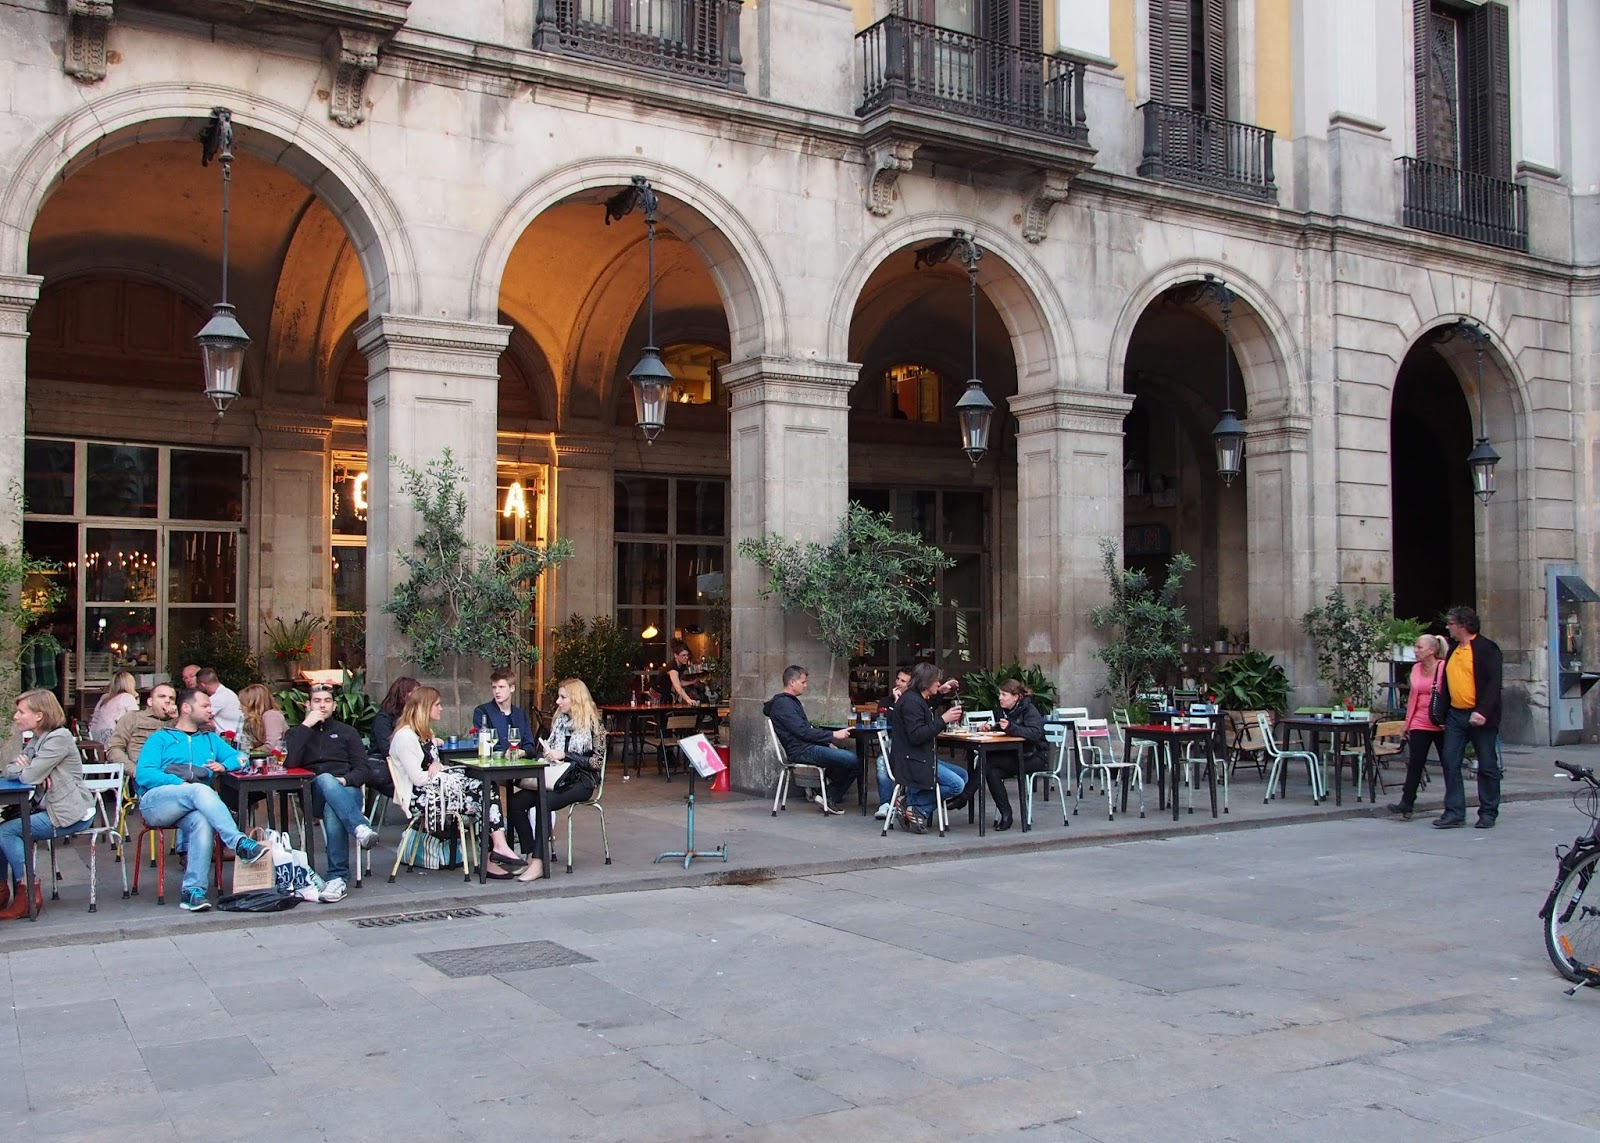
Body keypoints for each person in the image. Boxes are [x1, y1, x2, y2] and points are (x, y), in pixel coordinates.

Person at [134, 688, 268, 912]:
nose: (210, 709)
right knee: (198, 791)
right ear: (186, 708)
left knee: (202, 821)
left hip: (193, 805)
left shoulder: (210, 740)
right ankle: (237, 842)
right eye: (205, 706)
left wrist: (225, 765)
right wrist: (179, 785)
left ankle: (193, 891)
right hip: (157, 802)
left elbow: (241, 758)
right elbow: (144, 774)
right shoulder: (160, 738)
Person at [388, 686, 524, 877]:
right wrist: (434, 768)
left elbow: (429, 764)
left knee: (485, 790)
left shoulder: (421, 733)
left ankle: (494, 852)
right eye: (437, 704)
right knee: (484, 793)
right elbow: (418, 778)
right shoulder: (405, 737)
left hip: (434, 790)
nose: (441, 708)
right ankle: (493, 854)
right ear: (425, 707)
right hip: (420, 798)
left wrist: (435, 764)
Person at [0, 691, 97, 919]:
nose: (16, 716)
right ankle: (2, 891)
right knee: (3, 827)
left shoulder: (59, 737)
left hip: (70, 813)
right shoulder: (38, 739)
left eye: (21, 712)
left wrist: (30, 769)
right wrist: (29, 769)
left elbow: (28, 775)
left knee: (6, 831)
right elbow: (10, 769)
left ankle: (28, 893)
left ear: (39, 716)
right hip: (50, 809)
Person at [283, 682, 378, 900]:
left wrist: (344, 781)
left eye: (327, 701)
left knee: (333, 808)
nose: (322, 706)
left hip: (347, 790)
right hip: (312, 793)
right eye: (317, 701)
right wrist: (306, 727)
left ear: (334, 705)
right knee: (325, 780)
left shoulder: (347, 732)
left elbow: (364, 769)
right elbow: (290, 766)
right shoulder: (297, 733)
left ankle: (336, 880)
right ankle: (360, 828)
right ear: (308, 705)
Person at [510, 678, 606, 883]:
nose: (558, 701)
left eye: (563, 697)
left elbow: (596, 762)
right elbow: (551, 750)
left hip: (583, 780)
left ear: (576, 699)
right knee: (515, 803)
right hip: (556, 776)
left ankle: (539, 861)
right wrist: (547, 754)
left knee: (543, 800)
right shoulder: (560, 721)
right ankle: (529, 853)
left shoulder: (595, 724)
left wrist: (565, 755)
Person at [1433, 606, 1504, 829]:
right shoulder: (1454, 649)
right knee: (1450, 760)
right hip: (1456, 714)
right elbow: (1446, 682)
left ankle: (1488, 812)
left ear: (1463, 625)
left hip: (1479, 715)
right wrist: (1442, 713)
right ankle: (1454, 811)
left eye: (1451, 624)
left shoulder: (1486, 648)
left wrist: (1482, 711)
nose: (1447, 627)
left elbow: (1494, 683)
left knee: (1487, 764)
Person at [762, 665, 857, 813]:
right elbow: (803, 732)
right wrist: (833, 735)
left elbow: (805, 731)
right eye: (803, 682)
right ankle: (828, 796)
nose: (806, 686)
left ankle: (826, 793)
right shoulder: (784, 704)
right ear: (792, 682)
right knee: (852, 760)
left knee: (846, 757)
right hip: (802, 750)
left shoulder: (789, 702)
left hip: (805, 747)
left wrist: (827, 742)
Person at [887, 663, 968, 834]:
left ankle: (909, 801)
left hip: (920, 757)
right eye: (937, 681)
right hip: (912, 761)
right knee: (956, 785)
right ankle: (917, 808)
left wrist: (942, 692)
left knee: (963, 774)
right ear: (926, 682)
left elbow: (928, 708)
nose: (939, 684)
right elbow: (917, 735)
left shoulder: (917, 698)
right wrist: (943, 719)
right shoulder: (911, 702)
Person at [1388, 634, 1448, 821]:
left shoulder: (1443, 667)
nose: (1415, 650)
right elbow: (1413, 696)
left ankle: (1453, 804)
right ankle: (1407, 802)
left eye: (1419, 647)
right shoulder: (1415, 669)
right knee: (1415, 763)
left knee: (1449, 764)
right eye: (1415, 647)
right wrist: (1408, 723)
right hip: (1420, 721)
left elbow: (1449, 694)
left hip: (1440, 722)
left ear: (1432, 650)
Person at [982, 679, 1048, 832]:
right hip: (1017, 754)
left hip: (1036, 756)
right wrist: (991, 728)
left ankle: (964, 797)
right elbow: (1005, 728)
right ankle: (1006, 814)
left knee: (989, 762)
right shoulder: (1006, 711)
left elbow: (1035, 733)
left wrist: (1011, 727)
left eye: (1004, 694)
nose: (1000, 697)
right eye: (1000, 694)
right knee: (992, 771)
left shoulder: (1029, 710)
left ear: (1016, 696)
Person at [108, 682, 177, 772]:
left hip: (174, 773)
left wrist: (178, 720)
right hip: (143, 772)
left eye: (171, 698)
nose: (168, 701)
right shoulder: (133, 718)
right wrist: (133, 770)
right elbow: (114, 749)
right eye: (162, 696)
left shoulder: (178, 722)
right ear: (150, 701)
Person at [874, 667, 913, 819]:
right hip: (892, 745)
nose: (898, 683)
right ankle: (886, 804)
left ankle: (905, 802)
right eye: (898, 679)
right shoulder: (886, 701)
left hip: (910, 747)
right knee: (881, 761)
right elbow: (883, 720)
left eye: (903, 681)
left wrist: (900, 702)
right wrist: (896, 702)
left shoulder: (913, 701)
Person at [471, 670, 534, 751]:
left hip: (519, 761)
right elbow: (485, 744)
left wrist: (522, 753)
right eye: (494, 687)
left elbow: (530, 746)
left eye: (501, 687)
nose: (497, 691)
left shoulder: (521, 714)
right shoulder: (482, 712)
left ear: (512, 688)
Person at [88, 671, 140, 744]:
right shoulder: (128, 697)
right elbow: (136, 720)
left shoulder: (104, 697)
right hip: (112, 737)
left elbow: (94, 719)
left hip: (96, 737)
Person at [236, 683, 288, 754]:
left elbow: (272, 746)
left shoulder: (271, 716)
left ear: (254, 704)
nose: (239, 707)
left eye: (243, 704)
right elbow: (246, 744)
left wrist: (253, 751)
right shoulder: (254, 720)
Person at [20, 622, 64, 698]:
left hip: (31, 683)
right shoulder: (50, 640)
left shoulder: (28, 640)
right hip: (48, 682)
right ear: (50, 627)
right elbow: (60, 654)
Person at [196, 668, 242, 736]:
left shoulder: (218, 698)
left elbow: (198, 718)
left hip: (228, 739)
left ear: (203, 685)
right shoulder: (227, 693)